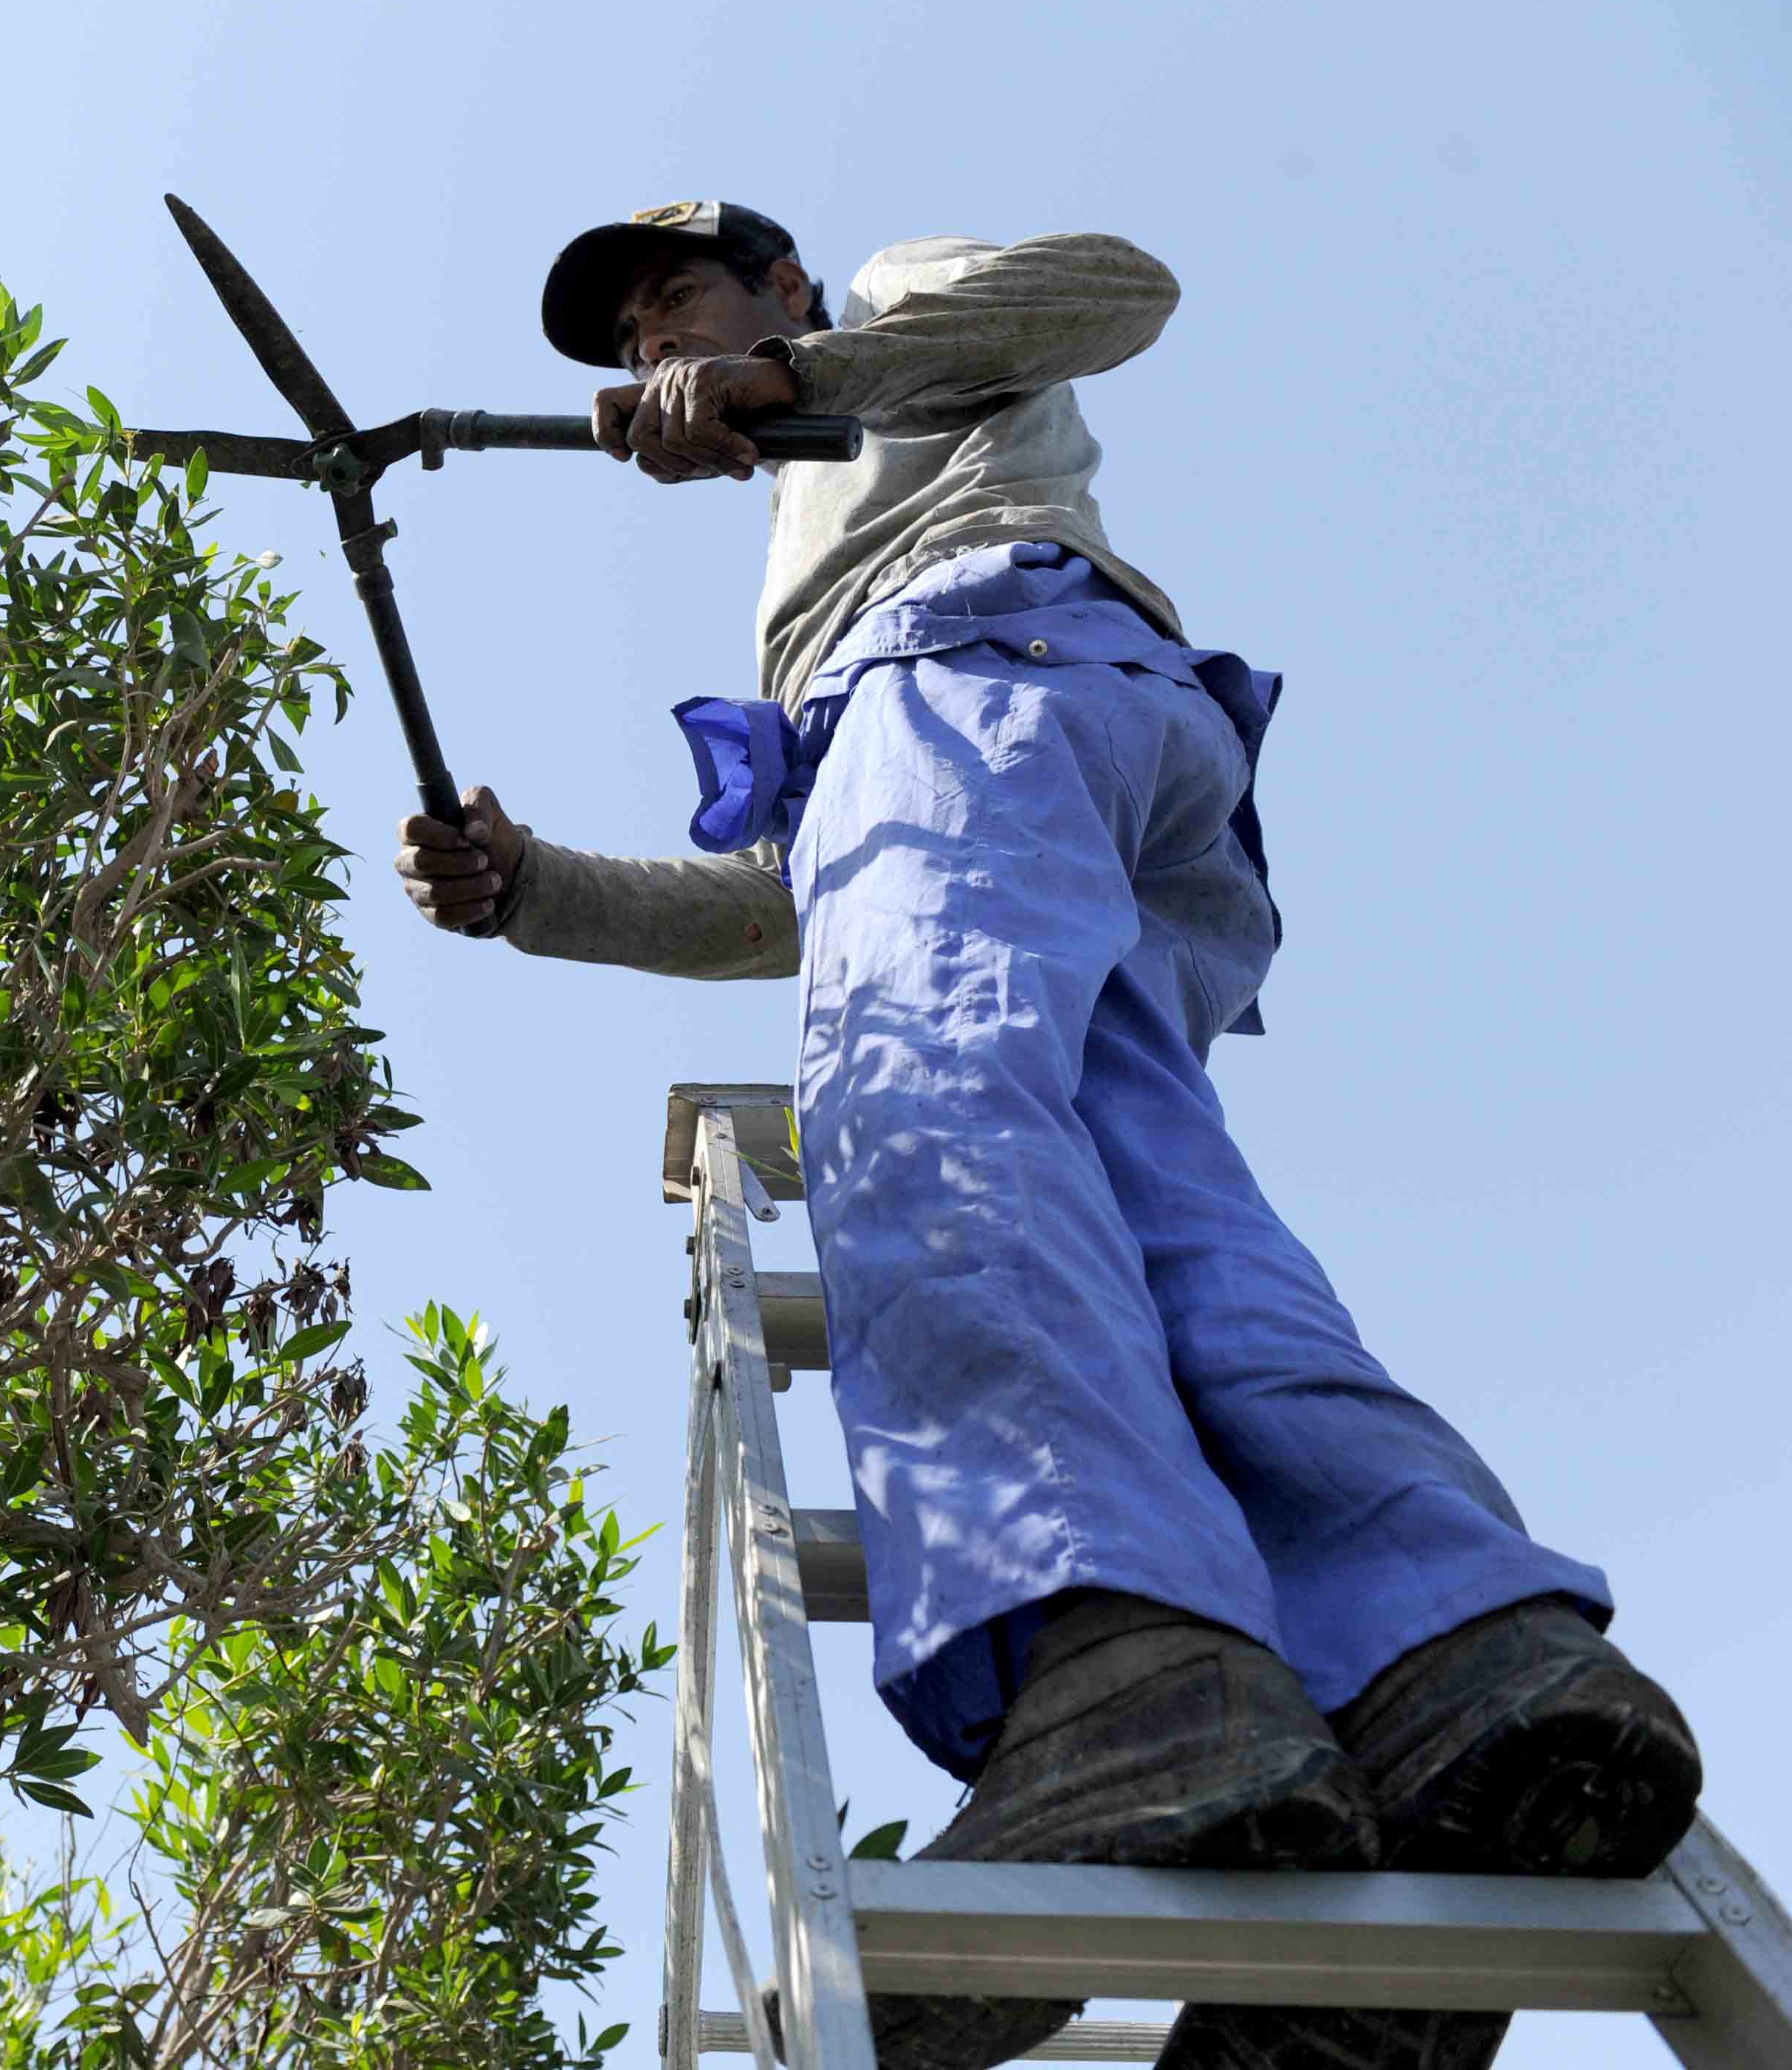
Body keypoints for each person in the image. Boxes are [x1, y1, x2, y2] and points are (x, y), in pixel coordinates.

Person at [391, 200, 1703, 2070]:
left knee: (918, 1117)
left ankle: (1118, 1666)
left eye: (672, 297)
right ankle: (1459, 1663)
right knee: (1170, 1240)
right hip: (1060, 741)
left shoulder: (890, 321)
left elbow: (1113, 290)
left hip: (978, 689)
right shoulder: (826, 507)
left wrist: (797, 373)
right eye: (629, 340)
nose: (649, 344)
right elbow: (809, 882)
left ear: (779, 281)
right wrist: (536, 890)